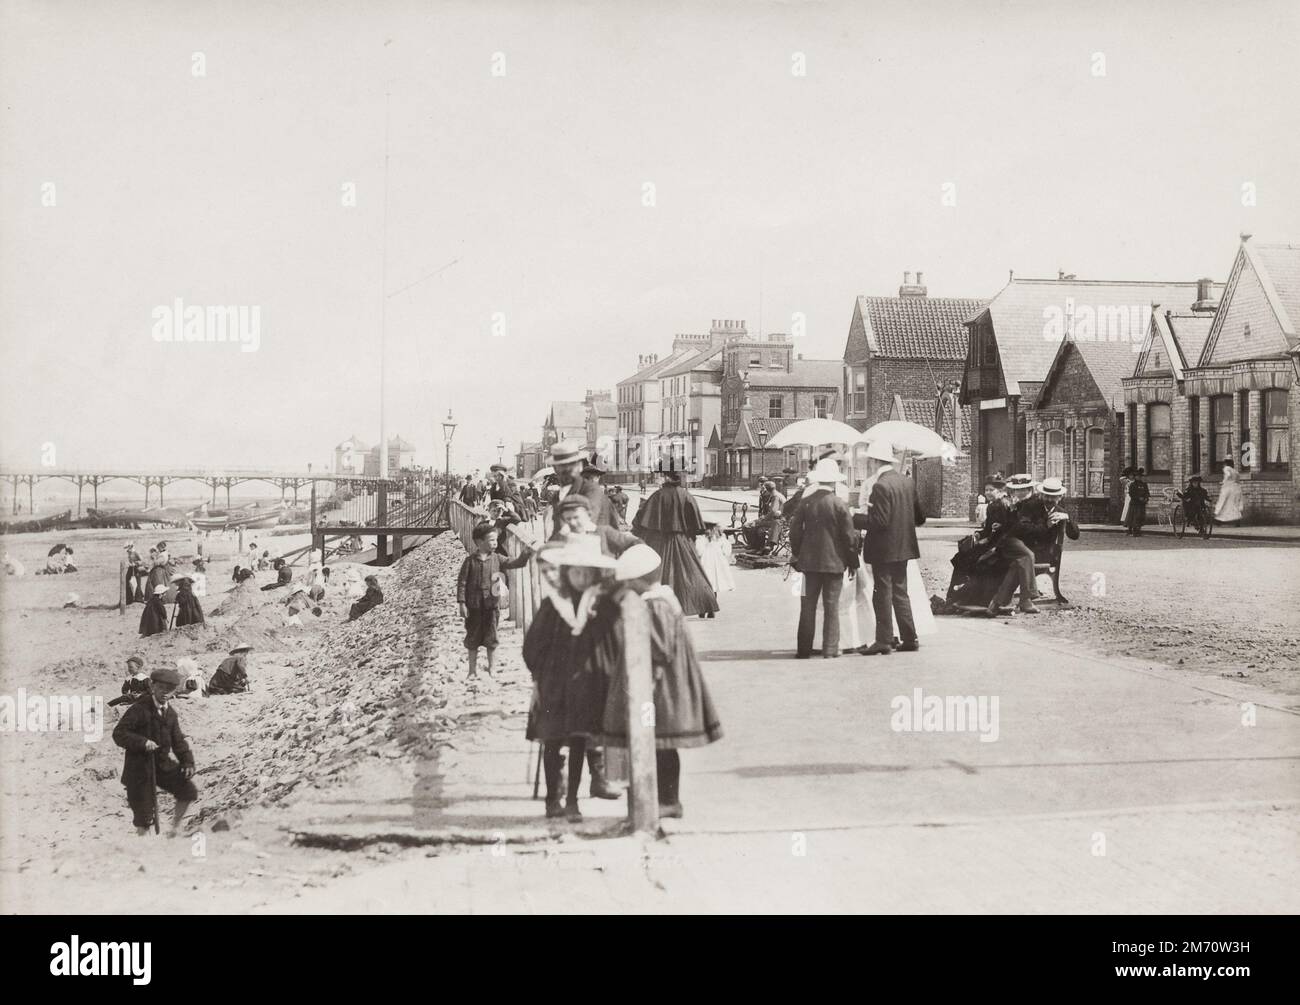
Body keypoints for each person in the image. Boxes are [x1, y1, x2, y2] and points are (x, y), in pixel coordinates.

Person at [598, 544, 723, 819]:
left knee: (662, 742)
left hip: (662, 684)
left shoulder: (655, 605)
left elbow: (659, 647)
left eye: (629, 583)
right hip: (664, 680)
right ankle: (664, 798)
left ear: (639, 581)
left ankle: (669, 800)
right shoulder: (661, 597)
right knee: (659, 743)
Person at [522, 537, 621, 821]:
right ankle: (553, 798)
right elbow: (533, 646)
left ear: (595, 575)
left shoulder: (600, 606)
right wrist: (540, 675)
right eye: (575, 571)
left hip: (587, 685)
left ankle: (574, 800)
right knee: (552, 739)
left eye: (587, 572)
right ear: (566, 573)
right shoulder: (554, 605)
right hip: (554, 685)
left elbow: (612, 644)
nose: (581, 577)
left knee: (580, 740)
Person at [853, 441, 925, 655]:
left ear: (875, 461)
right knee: (901, 592)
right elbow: (920, 517)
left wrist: (854, 518)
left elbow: (879, 522)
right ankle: (910, 637)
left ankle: (883, 640)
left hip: (883, 549)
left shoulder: (880, 486)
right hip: (904, 547)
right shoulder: (907, 482)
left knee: (882, 593)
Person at [112, 666, 197, 836]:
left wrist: (187, 761)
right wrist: (142, 742)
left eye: (170, 690)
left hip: (162, 765)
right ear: (152, 686)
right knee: (143, 815)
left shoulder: (170, 713)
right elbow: (119, 734)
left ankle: (174, 829)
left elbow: (178, 740)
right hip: (139, 768)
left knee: (187, 791)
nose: (165, 693)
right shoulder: (139, 708)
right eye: (161, 688)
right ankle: (144, 843)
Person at [789, 458, 859, 659]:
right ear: (835, 482)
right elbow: (849, 536)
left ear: (818, 480)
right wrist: (853, 562)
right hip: (834, 562)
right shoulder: (839, 504)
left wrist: (797, 553)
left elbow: (795, 531)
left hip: (809, 562)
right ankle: (830, 649)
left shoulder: (806, 502)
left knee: (808, 606)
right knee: (831, 606)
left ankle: (803, 650)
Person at [632, 466, 719, 618]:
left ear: (666, 477)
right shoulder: (686, 495)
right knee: (692, 573)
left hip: (660, 541)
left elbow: (641, 520)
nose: (658, 479)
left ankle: (662, 608)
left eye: (660, 476)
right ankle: (706, 603)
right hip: (682, 540)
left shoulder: (657, 496)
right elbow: (696, 524)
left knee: (660, 574)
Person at [457, 524, 533, 680]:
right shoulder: (470, 561)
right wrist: (462, 603)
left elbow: (515, 563)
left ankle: (492, 669)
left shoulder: (497, 558)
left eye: (496, 540)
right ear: (479, 542)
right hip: (474, 607)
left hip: (492, 606)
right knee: (473, 638)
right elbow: (462, 583)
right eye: (491, 540)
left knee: (491, 637)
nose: (495, 543)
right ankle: (472, 671)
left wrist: (525, 555)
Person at [985, 473, 1041, 616]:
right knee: (1026, 556)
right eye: (1016, 490)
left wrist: (1015, 526)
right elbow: (1014, 526)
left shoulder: (1036, 504)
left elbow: (1036, 528)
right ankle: (1026, 599)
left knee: (1022, 560)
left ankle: (998, 602)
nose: (1019, 492)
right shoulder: (1016, 505)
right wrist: (1002, 525)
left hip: (1025, 542)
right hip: (1011, 541)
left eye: (1023, 489)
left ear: (1030, 489)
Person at [548, 440, 619, 535]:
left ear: (579, 467)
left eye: (570, 466)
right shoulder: (557, 496)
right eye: (561, 467)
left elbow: (584, 525)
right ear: (555, 469)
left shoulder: (591, 491)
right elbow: (557, 531)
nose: (566, 472)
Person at [552, 494, 641, 556]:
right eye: (568, 519)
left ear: (589, 515)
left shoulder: (603, 532)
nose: (572, 523)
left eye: (576, 517)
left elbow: (633, 542)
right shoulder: (561, 537)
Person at [694, 523, 734, 611]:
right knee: (714, 585)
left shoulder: (702, 538)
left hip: (706, 561)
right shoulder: (721, 538)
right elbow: (727, 550)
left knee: (705, 584)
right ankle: (712, 607)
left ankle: (703, 608)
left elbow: (699, 551)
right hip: (718, 562)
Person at [1125, 467, 1150, 536]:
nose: (1139, 477)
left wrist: (1146, 498)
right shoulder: (1132, 485)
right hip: (1135, 504)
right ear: (1135, 477)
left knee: (1140, 517)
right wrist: (1138, 498)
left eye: (1140, 476)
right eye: (1137, 476)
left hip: (1141, 504)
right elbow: (1131, 494)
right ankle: (1133, 530)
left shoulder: (1144, 484)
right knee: (1134, 517)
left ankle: (1139, 529)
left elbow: (1147, 492)